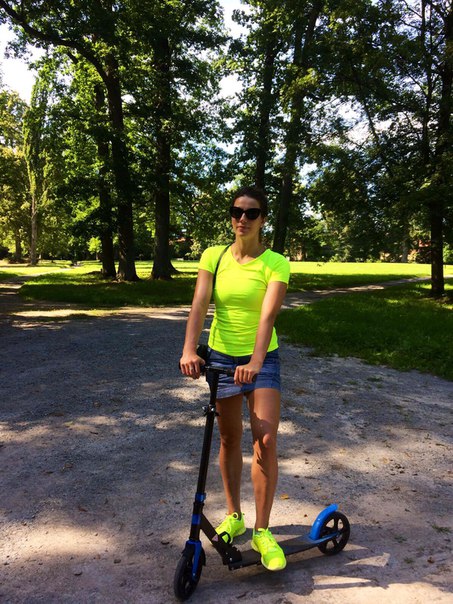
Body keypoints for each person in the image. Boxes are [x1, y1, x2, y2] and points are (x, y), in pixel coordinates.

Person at [179, 186, 290, 571]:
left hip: (262, 360)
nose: (242, 218)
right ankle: (234, 516)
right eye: (237, 211)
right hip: (222, 358)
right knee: (228, 438)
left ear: (263, 219)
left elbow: (267, 316)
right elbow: (199, 303)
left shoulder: (276, 263)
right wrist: (189, 350)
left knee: (266, 439)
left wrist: (256, 361)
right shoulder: (214, 256)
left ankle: (262, 530)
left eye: (251, 213)